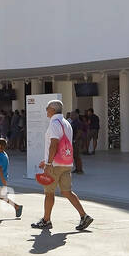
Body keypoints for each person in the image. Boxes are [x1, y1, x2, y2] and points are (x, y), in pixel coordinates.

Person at [32, 99, 92, 233]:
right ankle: (84, 216)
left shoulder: (54, 123)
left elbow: (54, 144)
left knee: (49, 193)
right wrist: (47, 159)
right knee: (67, 191)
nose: (46, 110)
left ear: (53, 110)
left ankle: (46, 220)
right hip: (66, 162)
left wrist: (48, 163)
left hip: (55, 165)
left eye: (47, 108)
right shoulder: (66, 123)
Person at [0, 136, 23, 220]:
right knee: (2, 196)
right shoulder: (4, 154)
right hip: (2, 178)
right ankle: (17, 207)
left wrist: (2, 180)